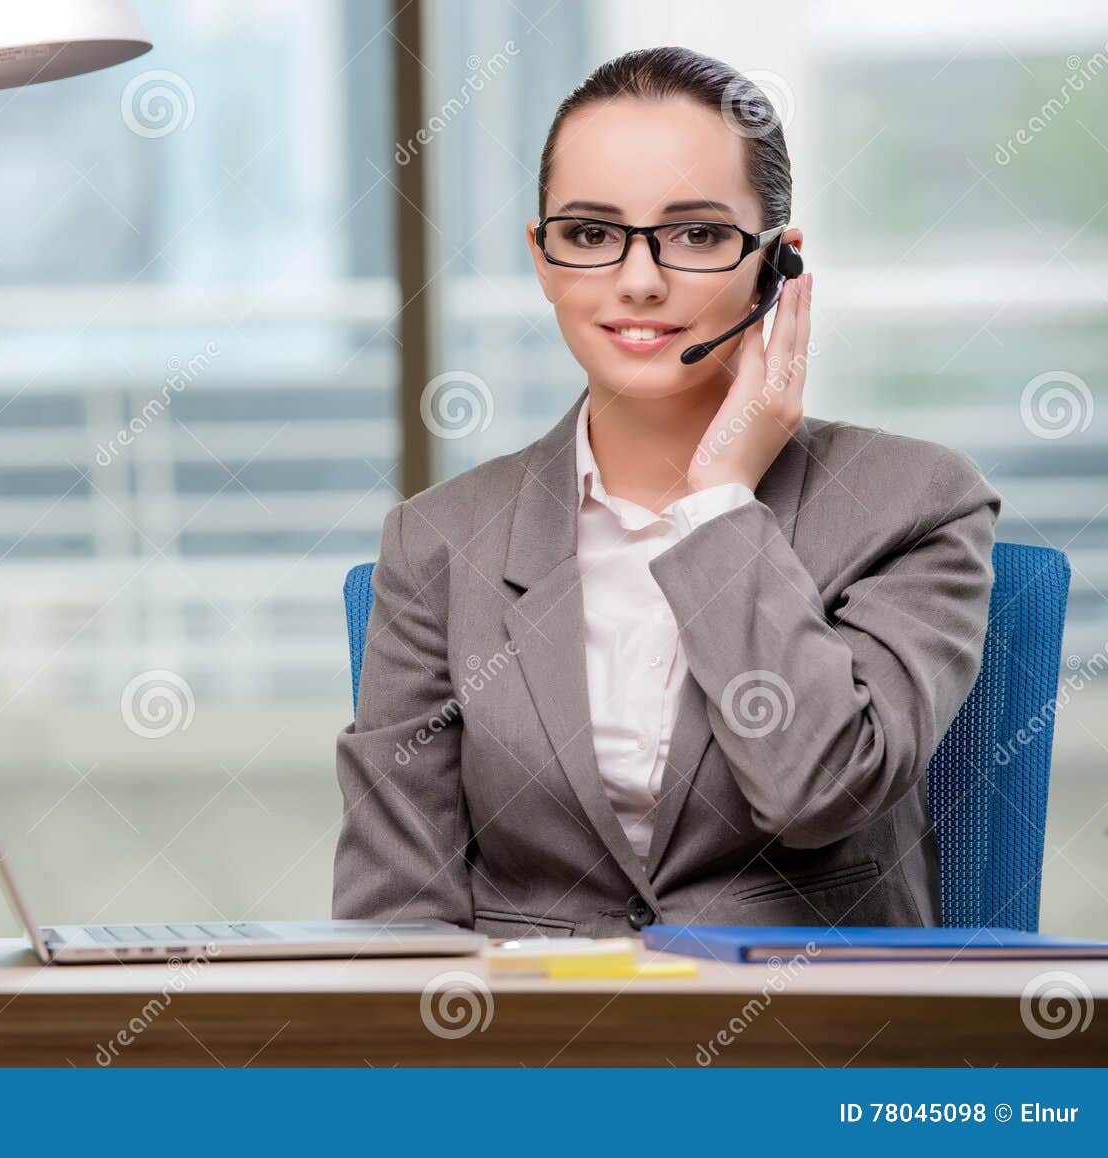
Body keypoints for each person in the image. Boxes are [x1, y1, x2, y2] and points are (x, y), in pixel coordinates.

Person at [332, 45, 1000, 938]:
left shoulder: (913, 501)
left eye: (695, 234)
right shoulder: (440, 540)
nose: (638, 280)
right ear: (543, 258)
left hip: (804, 1051)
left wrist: (719, 501)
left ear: (777, 265)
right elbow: (395, 915)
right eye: (590, 234)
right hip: (527, 1055)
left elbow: (819, 791)